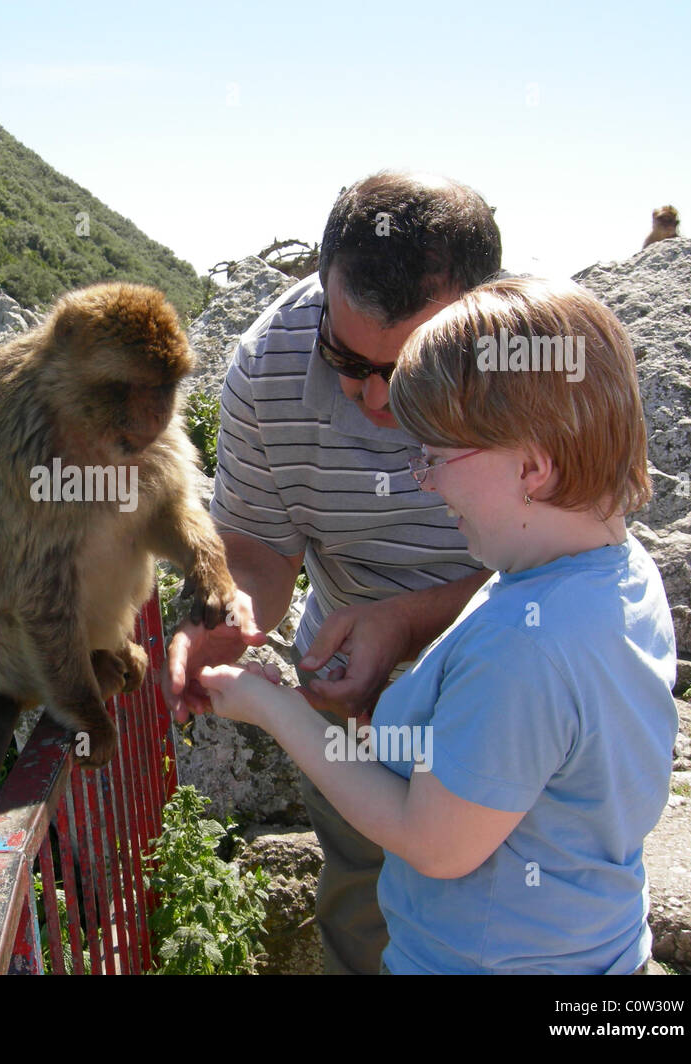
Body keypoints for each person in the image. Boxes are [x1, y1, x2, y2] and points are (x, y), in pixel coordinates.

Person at [195, 276, 677, 974]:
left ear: (534, 468)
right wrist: (390, 726)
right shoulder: (615, 576)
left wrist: (274, 710)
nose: (426, 480)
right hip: (594, 948)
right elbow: (536, 761)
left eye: (438, 458)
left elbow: (435, 841)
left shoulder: (527, 643)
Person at [164, 170, 501, 973]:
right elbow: (255, 548)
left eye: (415, 368)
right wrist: (230, 617)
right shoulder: (270, 366)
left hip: (502, 689)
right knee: (365, 913)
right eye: (345, 358)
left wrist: (410, 620)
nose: (373, 398)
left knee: (506, 919)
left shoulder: (531, 369)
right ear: (321, 283)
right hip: (351, 704)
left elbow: (578, 570)